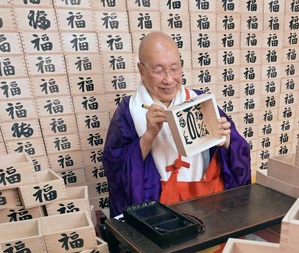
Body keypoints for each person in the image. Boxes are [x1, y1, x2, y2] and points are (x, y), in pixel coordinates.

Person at [102, 32, 251, 223]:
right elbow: (115, 167)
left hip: (206, 202)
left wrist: (227, 140)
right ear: (141, 70)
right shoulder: (129, 110)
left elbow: (239, 151)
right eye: (158, 70)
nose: (169, 79)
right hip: (157, 210)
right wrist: (149, 135)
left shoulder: (199, 101)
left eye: (174, 68)